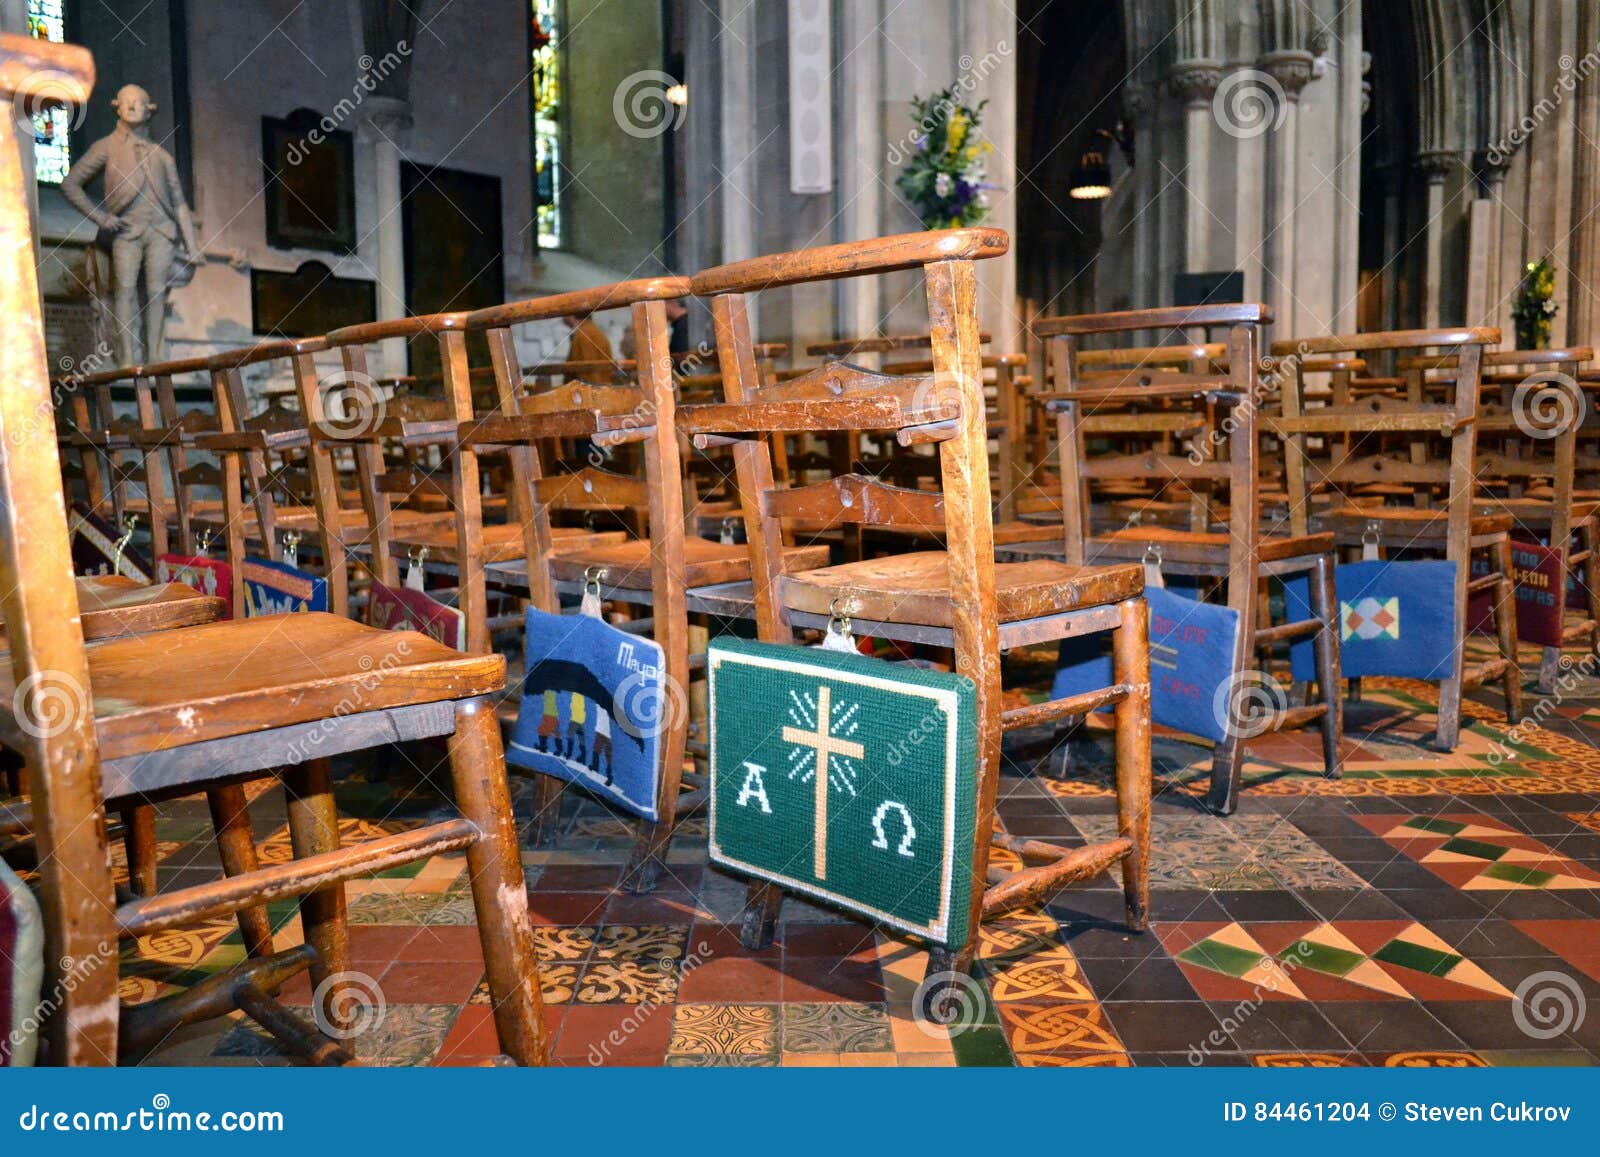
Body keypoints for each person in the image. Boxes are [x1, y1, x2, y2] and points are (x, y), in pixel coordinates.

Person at [61, 84, 201, 366]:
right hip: (126, 232)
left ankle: (156, 358)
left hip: (161, 231)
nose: (133, 106)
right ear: (117, 108)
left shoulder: (162, 157)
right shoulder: (106, 147)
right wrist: (102, 218)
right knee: (124, 291)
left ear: (149, 111)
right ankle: (127, 359)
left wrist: (192, 245)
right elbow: (71, 184)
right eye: (127, 102)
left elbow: (179, 204)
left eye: (139, 102)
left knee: (157, 292)